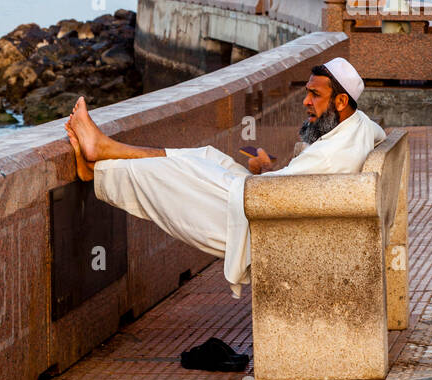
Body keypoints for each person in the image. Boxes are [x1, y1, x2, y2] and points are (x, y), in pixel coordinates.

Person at [65, 58, 385, 298]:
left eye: (315, 95)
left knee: (182, 171)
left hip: (268, 228)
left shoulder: (333, 154)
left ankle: (98, 160)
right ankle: (100, 157)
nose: (306, 102)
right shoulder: (360, 127)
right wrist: (269, 171)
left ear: (341, 101)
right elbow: (298, 185)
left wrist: (266, 176)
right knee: (204, 156)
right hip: (283, 213)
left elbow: (286, 191)